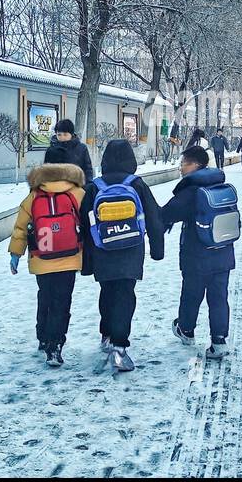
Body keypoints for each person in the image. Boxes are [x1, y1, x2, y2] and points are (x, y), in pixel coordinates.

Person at [79, 139, 165, 373]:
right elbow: (155, 219)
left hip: (103, 251)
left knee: (107, 291)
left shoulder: (94, 187)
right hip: (130, 251)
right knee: (125, 294)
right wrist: (157, 250)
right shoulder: (137, 184)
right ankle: (119, 345)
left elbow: (84, 224)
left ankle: (106, 335)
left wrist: (86, 261)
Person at [8, 150, 87, 368]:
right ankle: (55, 345)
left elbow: (21, 227)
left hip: (41, 258)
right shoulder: (77, 192)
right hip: (70, 258)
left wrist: (16, 253)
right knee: (62, 301)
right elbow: (88, 224)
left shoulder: (34, 195)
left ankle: (43, 336)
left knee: (45, 296)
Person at [161, 145, 237, 360]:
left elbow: (166, 214)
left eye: (183, 163)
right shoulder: (220, 186)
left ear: (195, 164)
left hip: (197, 254)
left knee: (192, 293)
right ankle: (219, 341)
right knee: (219, 297)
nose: (180, 168)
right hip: (223, 252)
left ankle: (186, 329)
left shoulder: (191, 191)